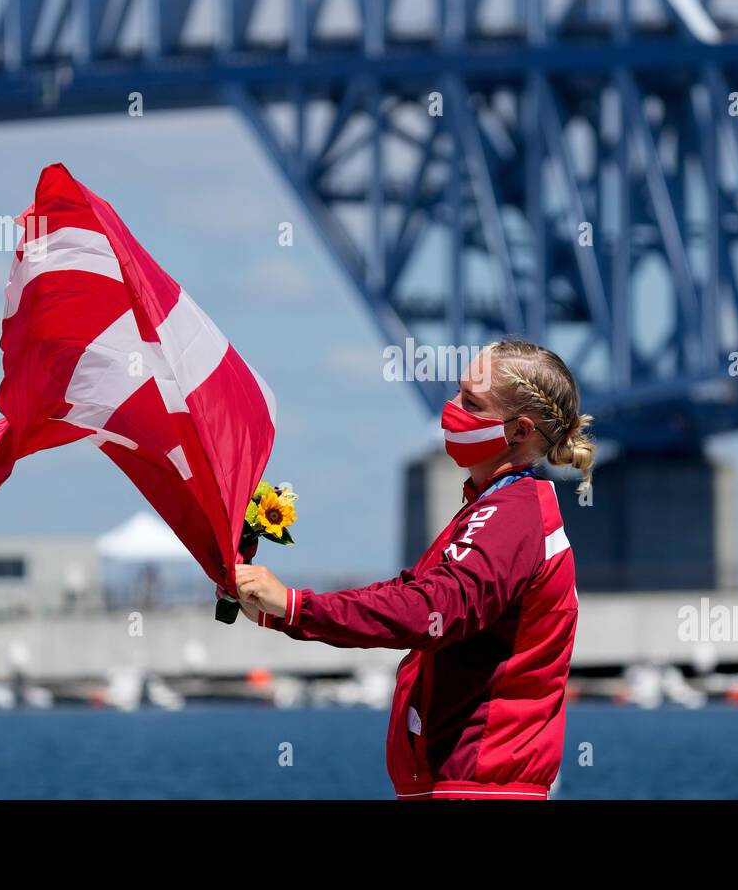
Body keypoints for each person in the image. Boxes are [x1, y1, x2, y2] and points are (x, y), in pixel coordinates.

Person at [235, 338, 594, 800]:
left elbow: (430, 609)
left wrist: (294, 606)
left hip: (476, 789)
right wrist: (284, 611)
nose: (450, 410)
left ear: (519, 430)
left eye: (470, 402)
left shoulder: (511, 516)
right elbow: (413, 593)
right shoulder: (496, 509)